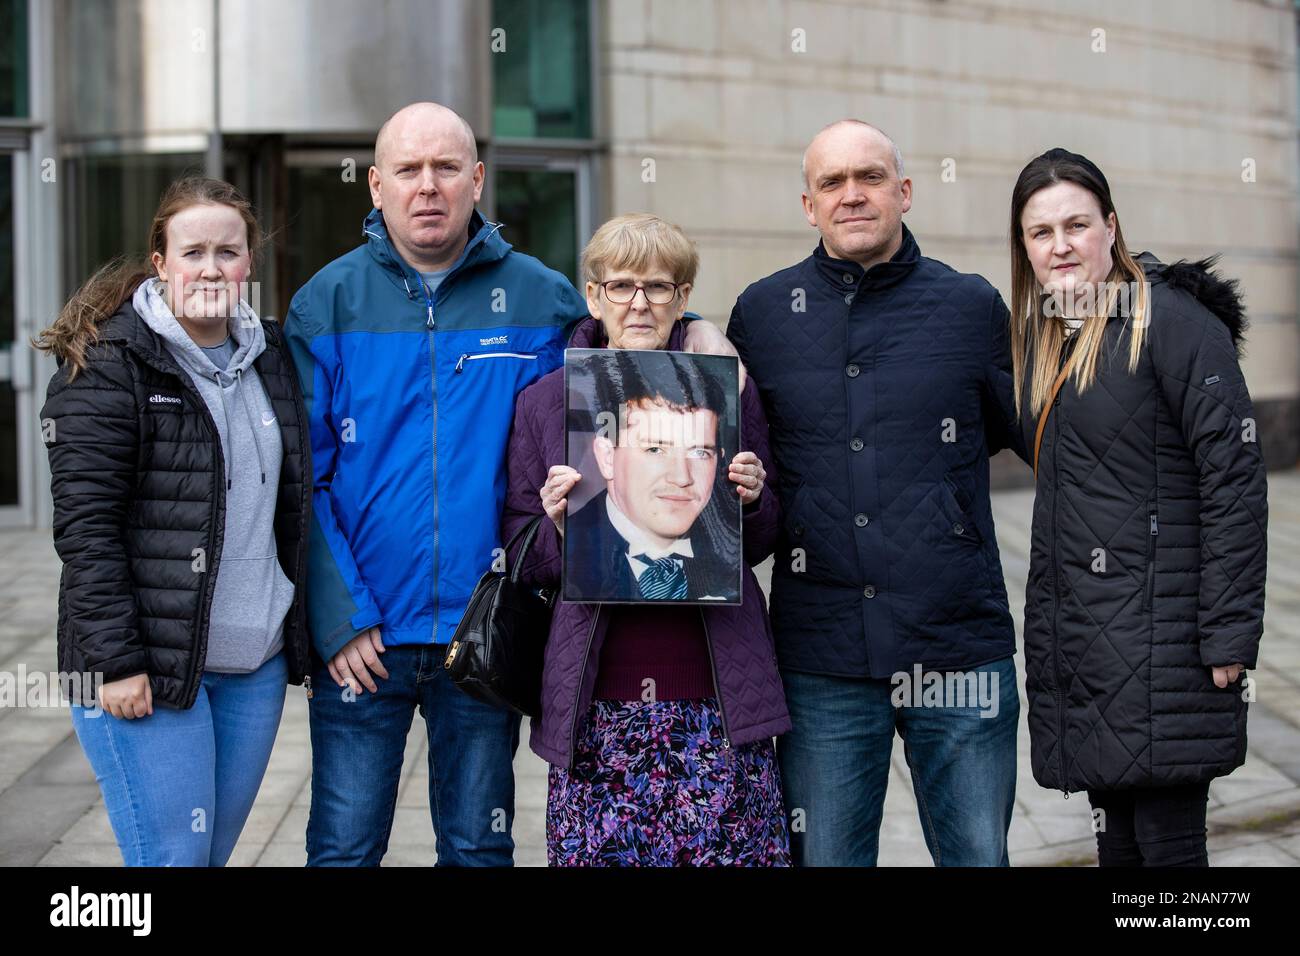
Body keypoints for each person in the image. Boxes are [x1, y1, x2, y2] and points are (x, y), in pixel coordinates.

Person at [284, 103, 739, 866]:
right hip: (365, 637)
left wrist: (700, 334)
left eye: (446, 168)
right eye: (408, 170)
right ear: (375, 185)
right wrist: (338, 616)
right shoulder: (324, 303)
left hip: (485, 627)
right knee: (342, 848)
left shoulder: (539, 297)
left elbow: (625, 352)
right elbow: (306, 477)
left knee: (477, 848)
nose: (428, 187)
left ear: (477, 178)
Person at [726, 119, 1023, 866]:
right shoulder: (761, 314)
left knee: (978, 857)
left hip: (957, 643)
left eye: (870, 178)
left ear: (905, 192)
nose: (852, 195)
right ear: (808, 204)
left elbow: (1040, 429)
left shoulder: (971, 306)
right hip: (821, 655)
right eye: (832, 182)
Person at [35, 176, 311, 866]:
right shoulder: (108, 363)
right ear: (160, 262)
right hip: (151, 670)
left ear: (250, 262)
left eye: (228, 251)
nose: (211, 268)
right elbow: (85, 532)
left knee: (206, 859)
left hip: (253, 665)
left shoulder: (271, 356)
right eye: (193, 252)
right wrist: (119, 662)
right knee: (172, 861)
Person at [503, 213, 791, 866]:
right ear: (593, 294)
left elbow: (766, 536)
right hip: (598, 705)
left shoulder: (728, 388)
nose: (639, 302)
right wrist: (555, 525)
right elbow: (521, 552)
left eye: (658, 287)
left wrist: (751, 497)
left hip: (718, 698)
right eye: (621, 285)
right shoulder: (547, 404)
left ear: (683, 297)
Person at [1008, 147, 1268, 866]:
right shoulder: (1057, 338)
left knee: (1168, 851)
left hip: (1169, 648)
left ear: (1112, 228)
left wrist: (1227, 632)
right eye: (1040, 232)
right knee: (1117, 847)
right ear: (1023, 247)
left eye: (1076, 224)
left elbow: (1235, 478)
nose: (1060, 245)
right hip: (1094, 650)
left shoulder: (1174, 323)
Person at [564, 348, 739, 602]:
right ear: (607, 457)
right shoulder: (572, 544)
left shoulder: (728, 543)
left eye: (700, 452)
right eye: (655, 449)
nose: (682, 477)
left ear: (720, 459)